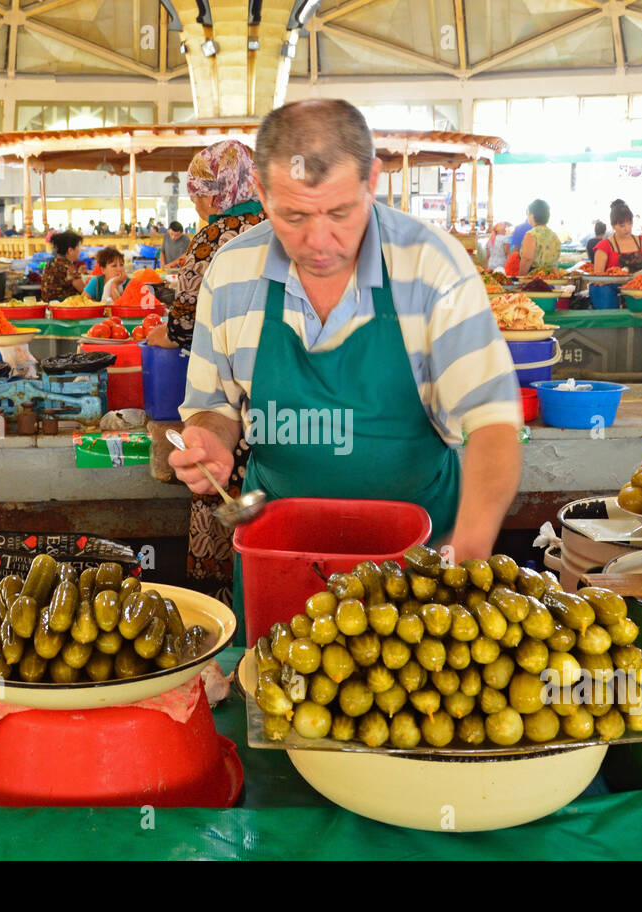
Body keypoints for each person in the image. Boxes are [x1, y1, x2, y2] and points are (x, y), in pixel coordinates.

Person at [167, 99, 522, 629]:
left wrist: (465, 552)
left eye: (339, 213)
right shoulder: (233, 270)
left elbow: (492, 423)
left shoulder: (430, 265)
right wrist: (211, 440)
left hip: (417, 555)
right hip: (282, 559)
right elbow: (213, 405)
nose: (318, 242)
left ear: (371, 180)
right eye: (293, 216)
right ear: (261, 193)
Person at [144, 140, 269, 601]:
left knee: (221, 496)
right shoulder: (276, 227)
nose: (196, 204)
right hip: (274, 411)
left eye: (200, 193)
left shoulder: (215, 238)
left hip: (224, 400)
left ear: (219, 192)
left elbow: (184, 321)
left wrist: (166, 330)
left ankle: (227, 609)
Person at [593, 199, 642, 273]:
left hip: (641, 284)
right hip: (613, 284)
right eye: (622, 226)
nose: (627, 228)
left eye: (630, 223)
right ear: (613, 226)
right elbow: (598, 278)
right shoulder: (604, 246)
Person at [508, 199, 559, 277]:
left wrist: (521, 278)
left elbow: (527, 258)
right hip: (552, 277)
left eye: (528, 214)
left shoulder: (532, 234)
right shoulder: (554, 235)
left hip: (535, 279)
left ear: (532, 215)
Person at [41, 230, 89, 301]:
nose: (80, 250)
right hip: (63, 306)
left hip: (48, 305)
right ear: (70, 250)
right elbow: (85, 291)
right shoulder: (68, 267)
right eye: (78, 247)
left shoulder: (51, 262)